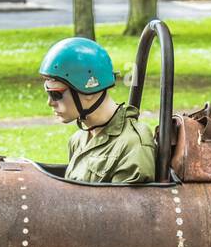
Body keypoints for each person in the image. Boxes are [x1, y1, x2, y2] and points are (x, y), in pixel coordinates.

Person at [38, 37, 155, 184]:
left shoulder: (133, 145)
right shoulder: (79, 140)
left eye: (56, 94)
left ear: (90, 91)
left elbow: (129, 205)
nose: (50, 103)